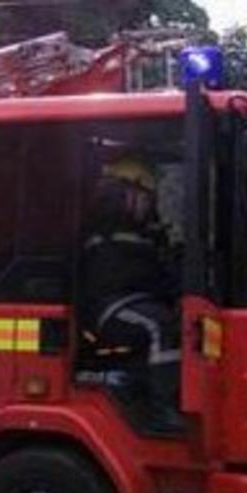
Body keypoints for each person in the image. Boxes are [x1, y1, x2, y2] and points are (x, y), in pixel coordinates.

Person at [81, 159, 184, 433]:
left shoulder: (141, 234)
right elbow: (129, 276)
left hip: (133, 300)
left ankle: (139, 381)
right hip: (111, 306)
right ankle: (162, 407)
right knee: (160, 325)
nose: (147, 205)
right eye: (143, 198)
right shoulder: (106, 232)